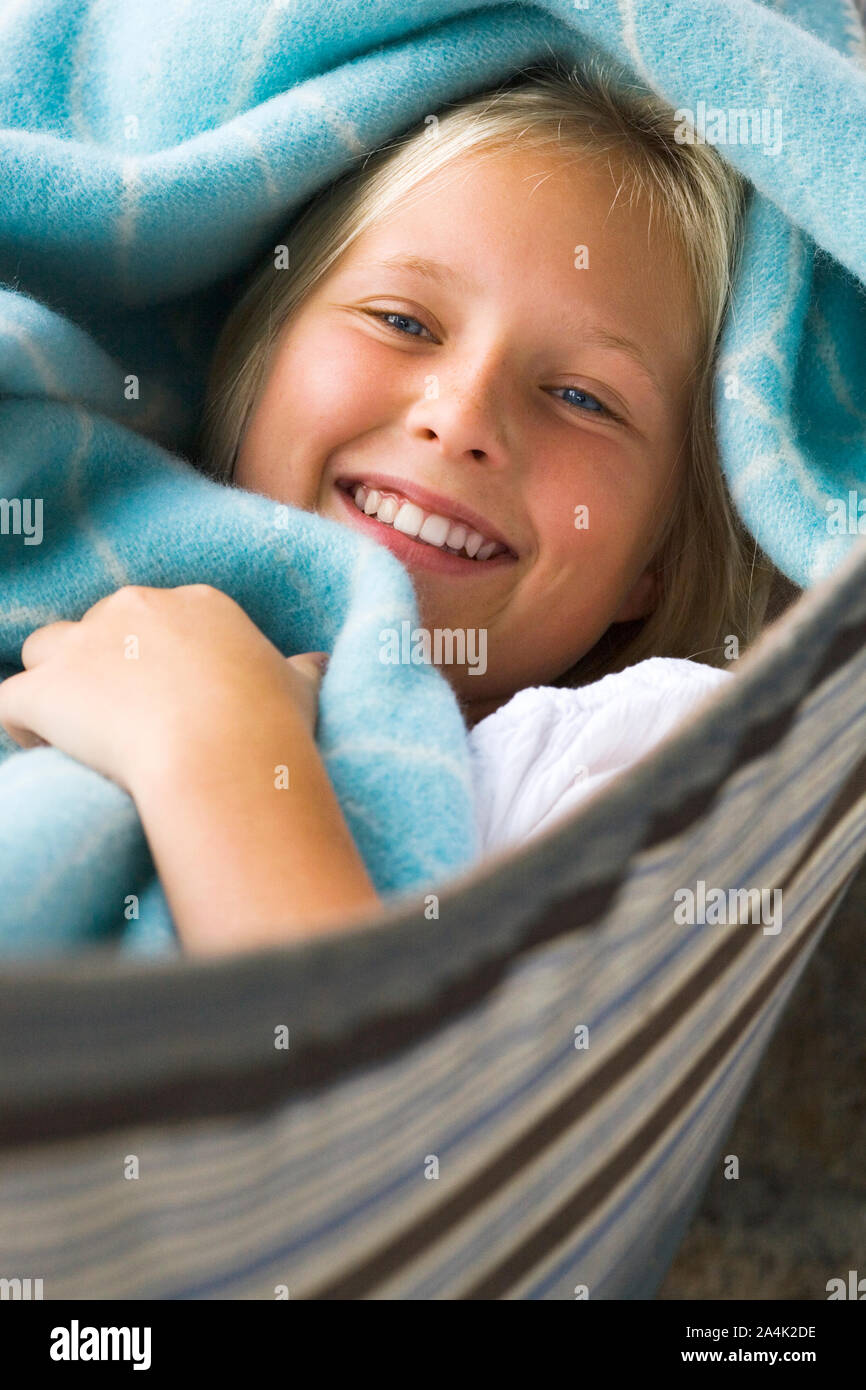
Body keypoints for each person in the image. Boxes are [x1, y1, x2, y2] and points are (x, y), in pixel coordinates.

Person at [0, 60, 774, 955]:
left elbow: (409, 1098)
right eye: (402, 322)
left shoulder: (622, 763)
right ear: (254, 361)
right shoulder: (71, 568)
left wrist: (220, 748)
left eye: (582, 397)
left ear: (657, 560)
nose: (460, 418)